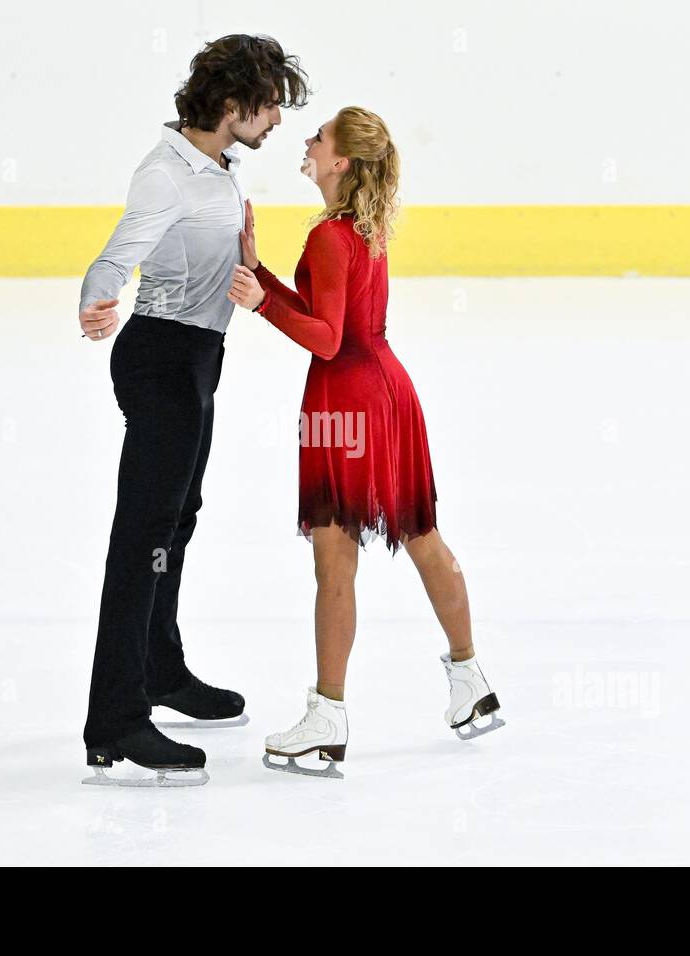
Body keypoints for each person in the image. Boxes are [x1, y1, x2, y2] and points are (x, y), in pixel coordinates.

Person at [227, 106, 504, 779]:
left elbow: (326, 337)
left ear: (341, 160)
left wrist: (260, 303)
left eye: (319, 138)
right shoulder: (362, 227)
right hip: (389, 393)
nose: (308, 142)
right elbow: (334, 315)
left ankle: (327, 718)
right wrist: (260, 274)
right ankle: (471, 681)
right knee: (423, 536)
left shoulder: (330, 237)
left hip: (344, 401)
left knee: (335, 563)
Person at [77, 35, 310, 787]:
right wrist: (96, 296)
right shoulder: (164, 175)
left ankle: (160, 669)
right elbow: (116, 256)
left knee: (177, 522)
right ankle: (114, 719)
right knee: (141, 535)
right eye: (268, 102)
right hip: (160, 361)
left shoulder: (217, 166)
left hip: (197, 359)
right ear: (231, 104)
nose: (277, 118)